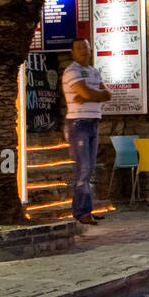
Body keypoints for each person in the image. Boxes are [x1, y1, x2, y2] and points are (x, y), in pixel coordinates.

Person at [62, 39, 111, 225]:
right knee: (82, 169)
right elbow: (87, 94)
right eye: (79, 48)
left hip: (94, 122)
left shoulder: (93, 71)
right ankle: (82, 212)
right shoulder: (72, 71)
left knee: (89, 169)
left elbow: (107, 95)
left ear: (91, 49)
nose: (83, 50)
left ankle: (86, 209)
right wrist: (91, 95)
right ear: (72, 52)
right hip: (79, 123)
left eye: (86, 47)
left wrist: (91, 95)